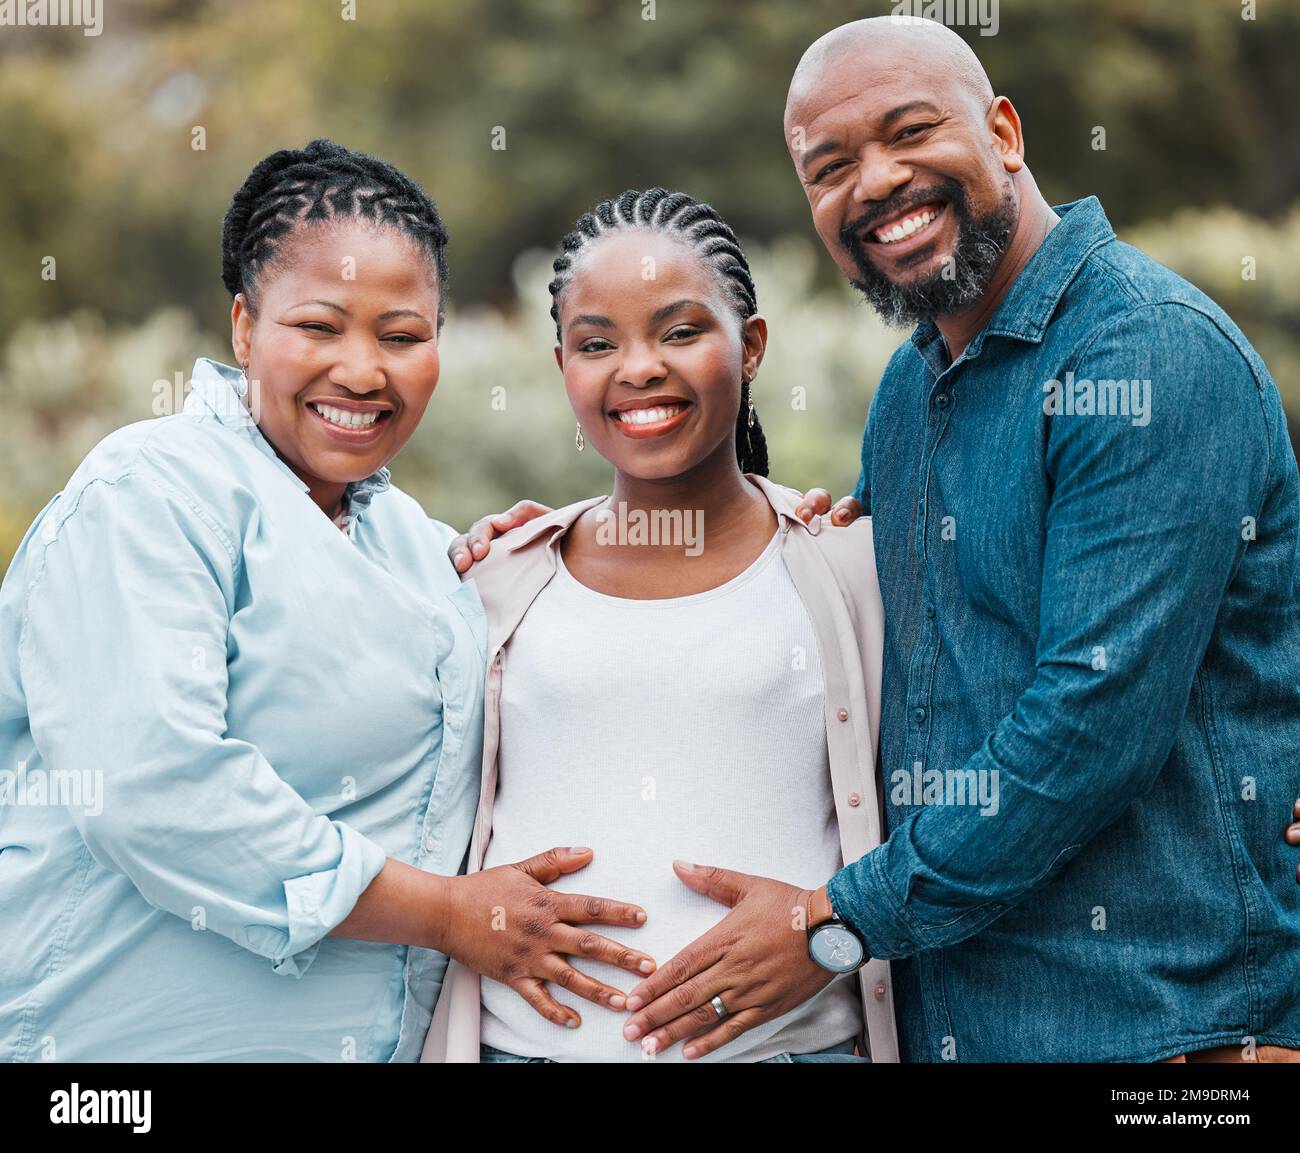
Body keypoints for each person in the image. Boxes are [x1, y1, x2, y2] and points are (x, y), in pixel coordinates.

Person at [454, 19, 1300, 1063]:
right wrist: (540, 543)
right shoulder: (914, 389)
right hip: (961, 1024)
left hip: (1162, 1033)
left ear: (1002, 130)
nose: (878, 182)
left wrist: (829, 922)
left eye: (909, 133)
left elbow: (1090, 726)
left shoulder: (1148, 355)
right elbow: (852, 599)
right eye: (832, 166)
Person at [0, 139, 651, 1061]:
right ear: (242, 328)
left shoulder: (422, 549)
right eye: (318, 326)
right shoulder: (152, 493)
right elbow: (154, 788)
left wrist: (793, 536)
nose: (362, 371)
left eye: (402, 335)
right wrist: (449, 915)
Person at [422, 188, 897, 1063]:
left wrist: (828, 927)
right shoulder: (494, 576)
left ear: (750, 347)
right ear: (562, 364)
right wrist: (462, 911)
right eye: (598, 344)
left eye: (680, 332)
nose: (638, 368)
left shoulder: (850, 565)